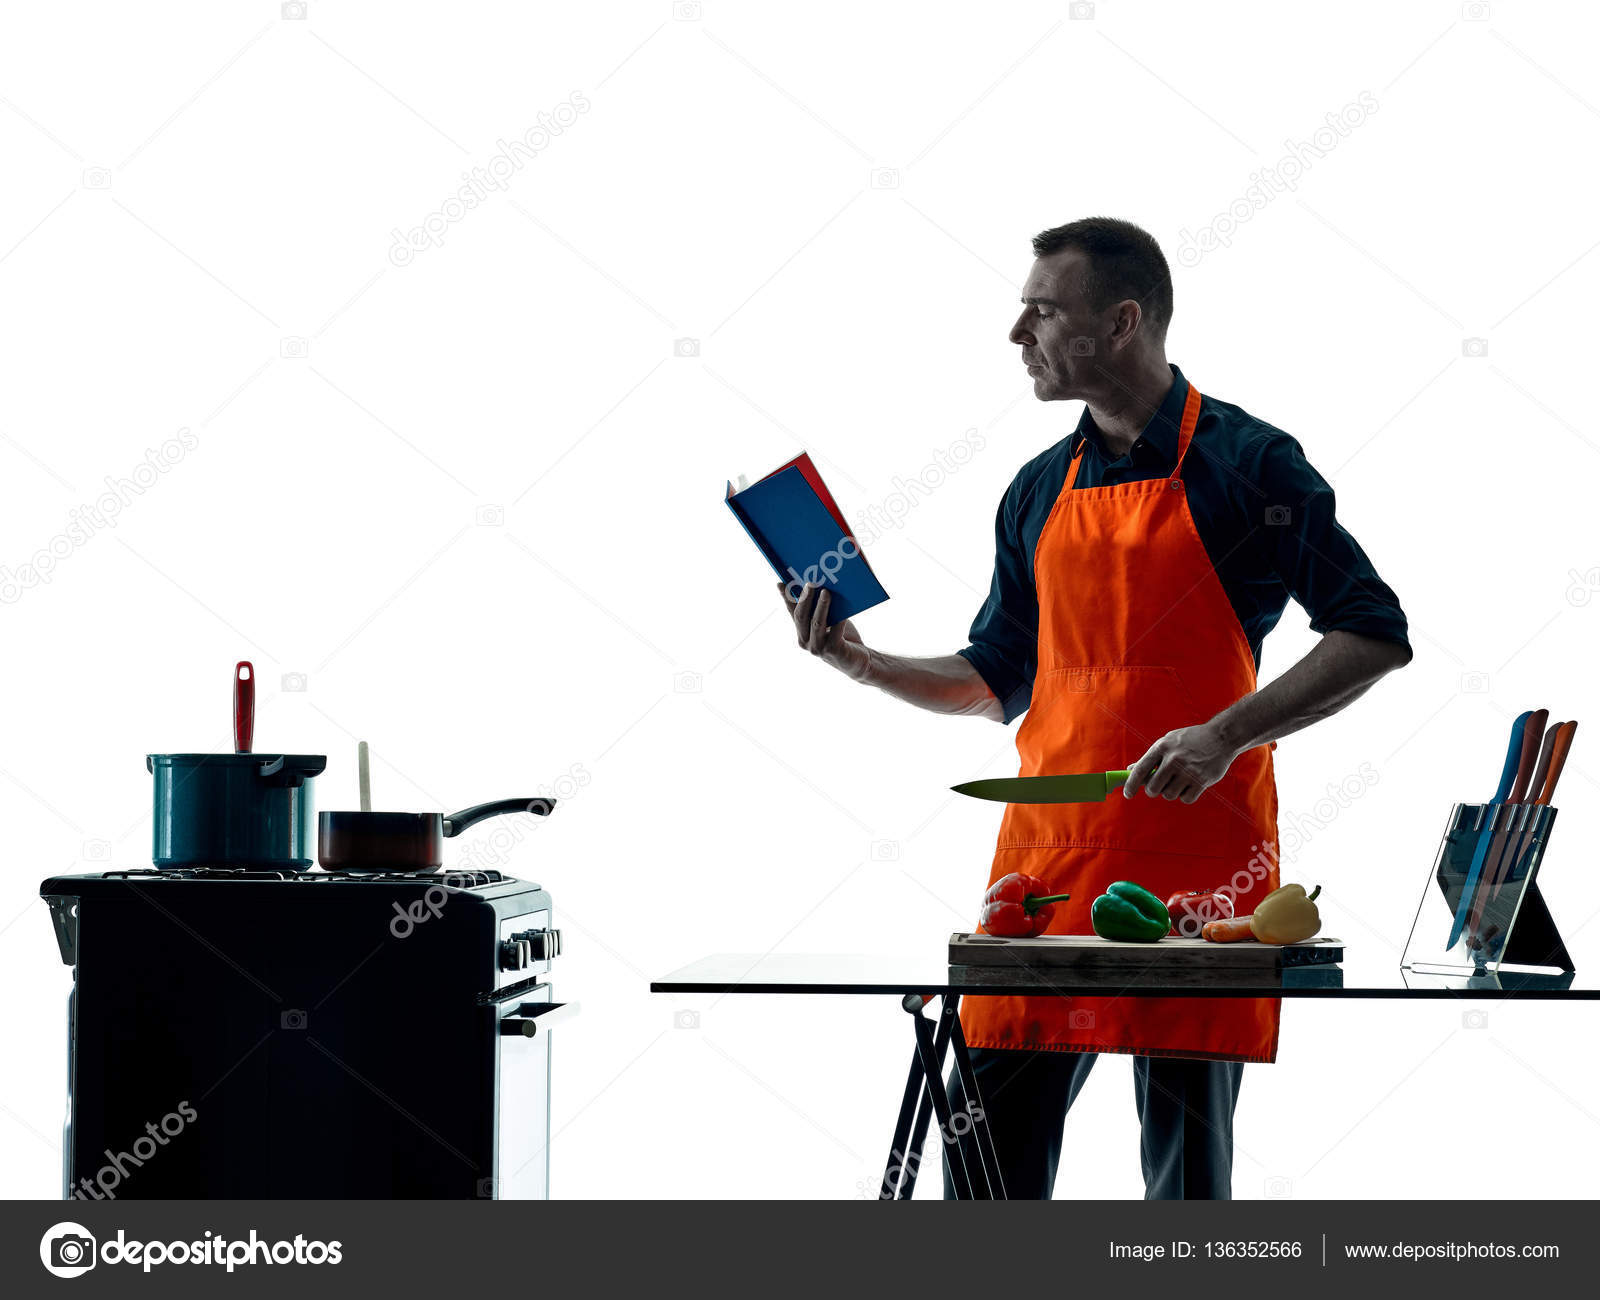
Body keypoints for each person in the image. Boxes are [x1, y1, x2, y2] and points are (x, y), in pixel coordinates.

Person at [783, 217, 1411, 1200]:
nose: (1016, 333)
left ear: (1120, 322)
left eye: (1040, 311)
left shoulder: (1253, 465)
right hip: (1045, 876)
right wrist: (866, 665)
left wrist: (1226, 734)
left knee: (1185, 1187)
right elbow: (997, 676)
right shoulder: (1037, 488)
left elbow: (1371, 632)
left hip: (1199, 878)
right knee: (985, 1169)